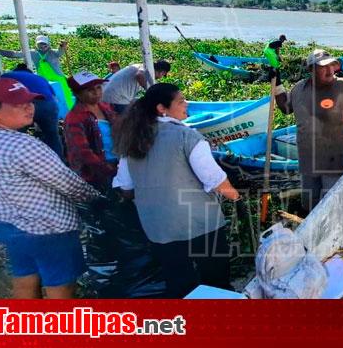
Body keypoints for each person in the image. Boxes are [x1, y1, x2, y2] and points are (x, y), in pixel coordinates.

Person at [0, 78, 100, 298]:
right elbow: (68, 183)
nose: (29, 108)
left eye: (30, 102)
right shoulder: (23, 145)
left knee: (25, 277)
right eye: (18, 104)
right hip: (48, 229)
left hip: (8, 226)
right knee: (61, 285)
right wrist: (97, 198)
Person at [111, 83, 240, 298]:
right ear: (162, 108)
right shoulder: (188, 137)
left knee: (178, 280)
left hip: (157, 226)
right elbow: (214, 179)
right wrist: (236, 196)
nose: (186, 103)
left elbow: (125, 187)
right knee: (215, 279)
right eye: (180, 101)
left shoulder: (132, 139)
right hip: (199, 223)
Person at [273, 50, 343, 211]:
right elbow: (285, 108)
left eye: (332, 65)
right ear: (311, 70)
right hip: (309, 160)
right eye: (323, 67)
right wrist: (277, 85)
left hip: (336, 161)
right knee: (310, 203)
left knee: (333, 205)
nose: (330, 70)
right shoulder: (299, 89)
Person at [64, 71, 118, 190]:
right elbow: (81, 151)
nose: (96, 92)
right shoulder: (74, 118)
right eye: (90, 90)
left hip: (116, 162)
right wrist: (107, 169)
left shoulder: (106, 107)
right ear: (77, 94)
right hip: (95, 172)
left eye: (98, 88)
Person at [1, 64, 64, 157]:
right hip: (48, 104)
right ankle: (59, 162)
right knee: (52, 136)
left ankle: (24, 163)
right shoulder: (39, 78)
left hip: (24, 104)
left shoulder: (7, 76)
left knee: (18, 137)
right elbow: (54, 96)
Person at [101, 60, 171, 114]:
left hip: (111, 96)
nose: (160, 77)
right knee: (129, 123)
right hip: (117, 98)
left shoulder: (141, 67)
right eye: (162, 75)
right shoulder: (145, 68)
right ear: (163, 72)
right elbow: (139, 75)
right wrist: (150, 90)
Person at [0, 35, 69, 78]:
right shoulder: (32, 53)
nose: (43, 46)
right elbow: (15, 54)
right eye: (40, 44)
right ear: (36, 45)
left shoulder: (53, 52)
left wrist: (62, 46)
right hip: (43, 79)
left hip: (59, 77)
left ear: (48, 44)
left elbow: (60, 52)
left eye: (45, 44)